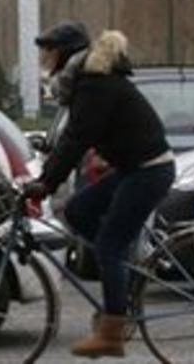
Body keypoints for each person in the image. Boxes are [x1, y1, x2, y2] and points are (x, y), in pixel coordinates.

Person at [23, 23, 175, 359]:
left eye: (47, 51)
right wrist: (46, 174)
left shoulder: (94, 84)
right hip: (134, 167)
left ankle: (112, 333)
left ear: (62, 54)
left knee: (108, 245)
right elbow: (70, 139)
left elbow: (77, 138)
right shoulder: (87, 82)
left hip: (148, 170)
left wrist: (46, 184)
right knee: (77, 211)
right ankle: (121, 274)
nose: (44, 59)